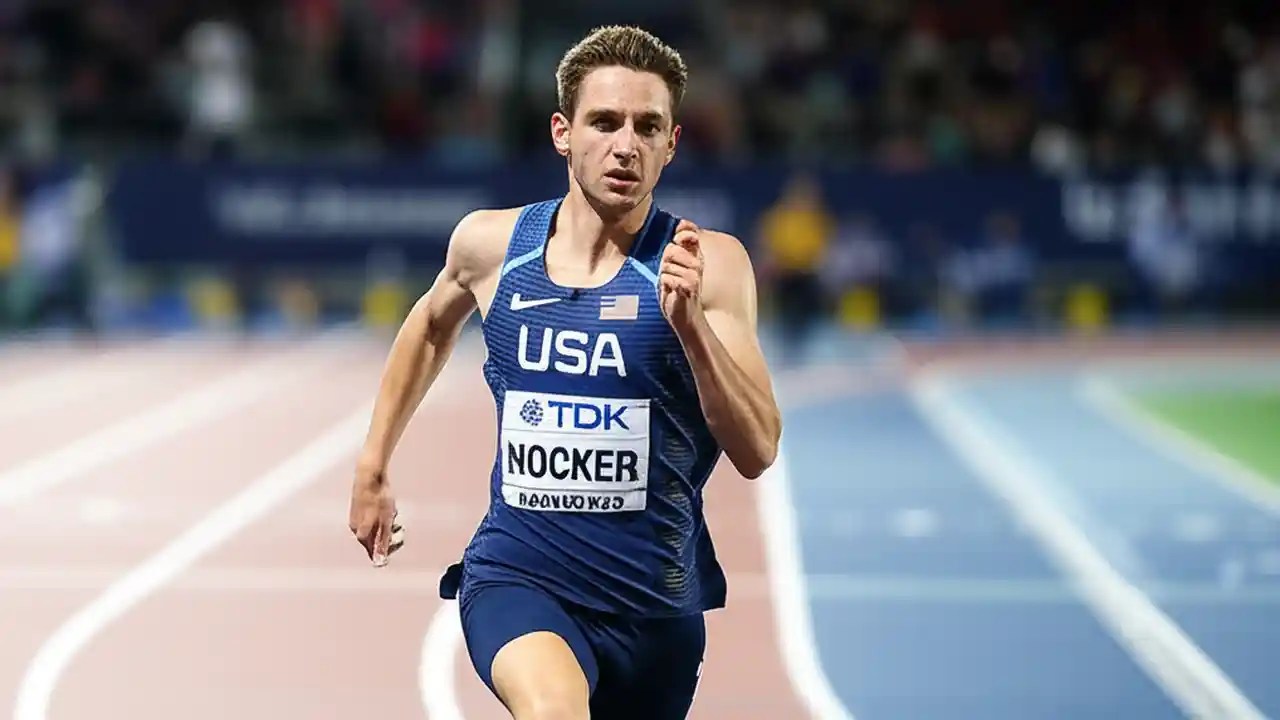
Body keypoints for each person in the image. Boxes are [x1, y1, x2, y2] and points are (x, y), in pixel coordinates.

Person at [348, 25, 781, 720]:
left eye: (648, 128)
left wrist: (691, 328)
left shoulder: (712, 264)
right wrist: (373, 464)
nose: (625, 146)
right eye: (604, 123)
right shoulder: (492, 247)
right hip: (519, 576)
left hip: (655, 611)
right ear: (562, 132)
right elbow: (429, 325)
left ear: (672, 144)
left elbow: (758, 450)